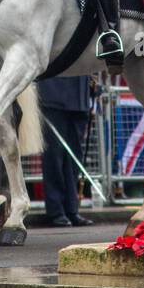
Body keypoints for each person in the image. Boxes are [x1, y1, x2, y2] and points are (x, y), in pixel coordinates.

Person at [37, 74, 94, 227]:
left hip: (79, 98)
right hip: (52, 95)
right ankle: (55, 210)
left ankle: (71, 209)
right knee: (54, 157)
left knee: (74, 158)